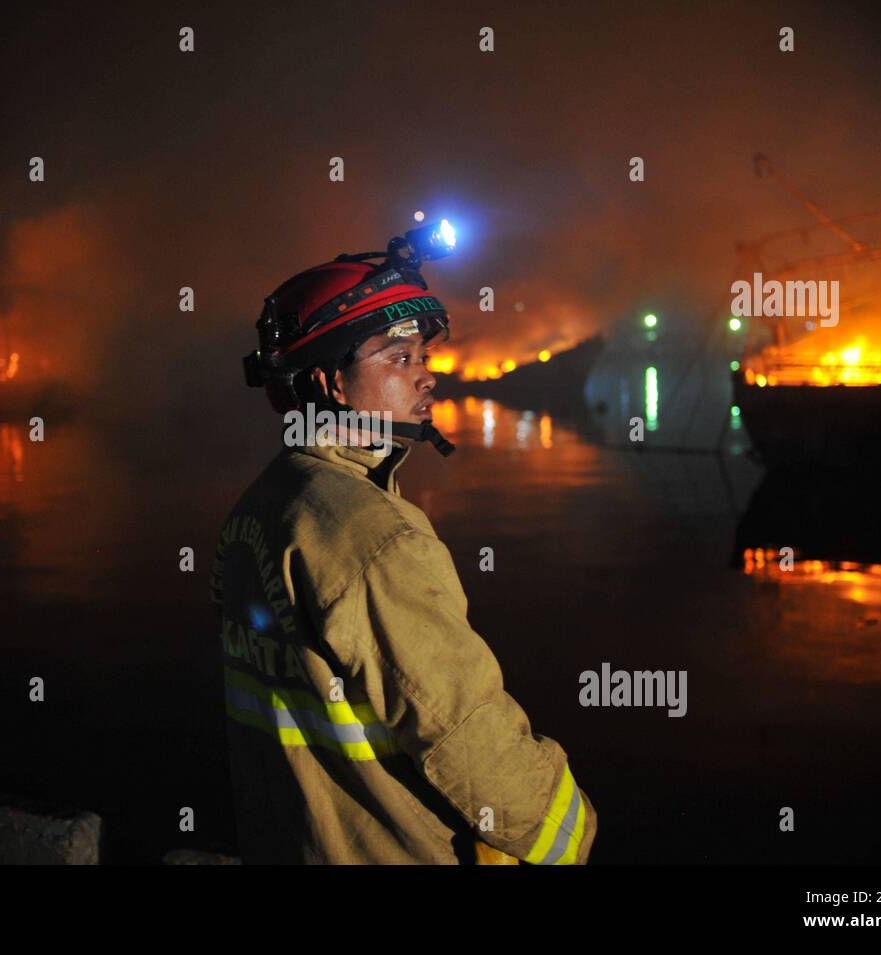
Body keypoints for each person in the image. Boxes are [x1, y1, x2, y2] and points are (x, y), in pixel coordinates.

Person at [210, 231, 597, 864]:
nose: (427, 375)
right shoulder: (375, 536)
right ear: (332, 384)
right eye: (397, 357)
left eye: (423, 353)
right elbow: (466, 733)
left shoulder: (264, 506)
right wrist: (568, 839)